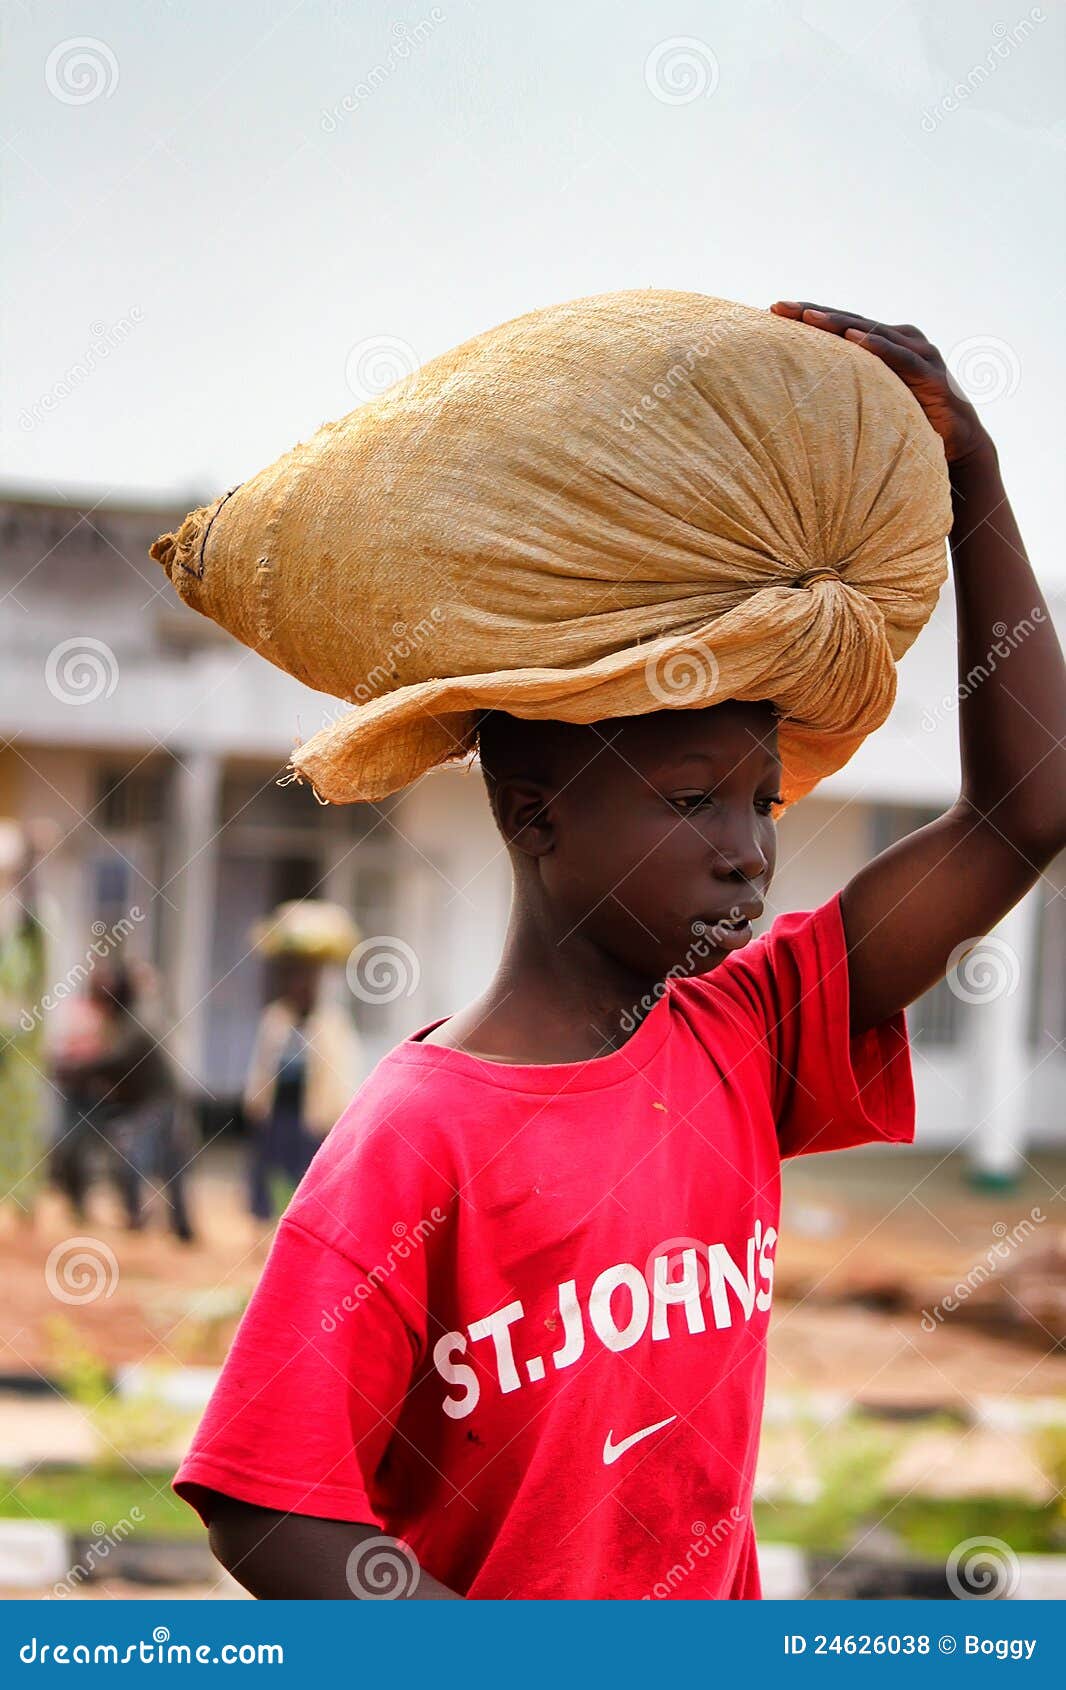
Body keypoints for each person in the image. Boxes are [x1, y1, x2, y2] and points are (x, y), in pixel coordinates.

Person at [173, 303, 1066, 1599]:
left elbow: (1020, 813)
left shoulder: (745, 1034)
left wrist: (971, 479)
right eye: (690, 798)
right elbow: (265, 1502)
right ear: (536, 807)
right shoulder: (418, 1140)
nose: (746, 849)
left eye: (760, 801)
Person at [51, 961, 194, 1240]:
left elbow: (114, 1061)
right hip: (137, 1104)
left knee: (154, 1162)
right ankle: (138, 1218)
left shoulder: (134, 1026)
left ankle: (180, 1228)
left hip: (160, 1104)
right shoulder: (117, 1025)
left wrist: (72, 1068)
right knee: (132, 1156)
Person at [242, 901, 364, 1225]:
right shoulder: (277, 1018)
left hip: (311, 1121)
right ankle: (265, 1230)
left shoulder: (332, 1023)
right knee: (267, 1179)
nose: (299, 986)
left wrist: (336, 1120)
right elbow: (262, 1066)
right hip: (278, 1114)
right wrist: (255, 1103)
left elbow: (341, 1077)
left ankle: (300, 1229)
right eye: (294, 978)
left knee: (306, 1183)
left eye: (306, 979)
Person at [0, 819, 54, 1228]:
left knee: (20, 1112)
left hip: (22, 1027)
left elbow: (42, 972)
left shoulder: (33, 911)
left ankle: (20, 1196)